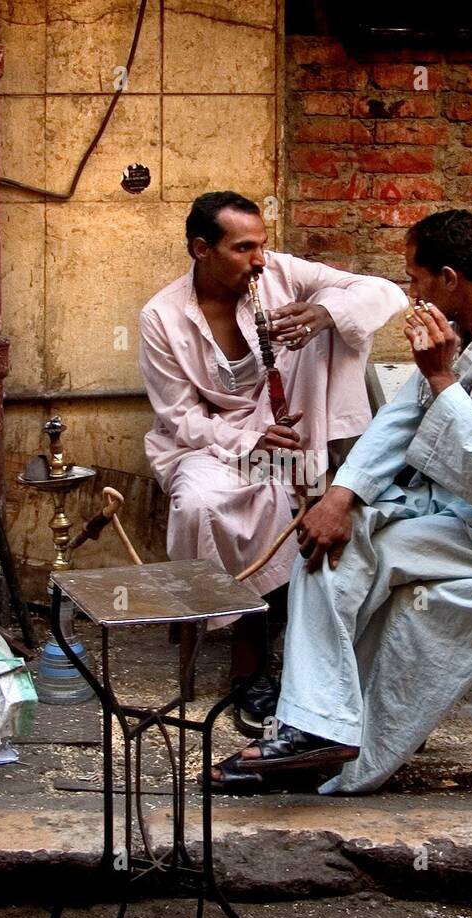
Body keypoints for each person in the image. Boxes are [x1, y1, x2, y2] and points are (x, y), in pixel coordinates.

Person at [209, 210, 472, 793]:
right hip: (454, 524)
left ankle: (321, 740)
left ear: (449, 279)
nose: (412, 294)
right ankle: (316, 731)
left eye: (416, 279)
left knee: (345, 556)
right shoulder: (463, 337)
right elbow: (399, 421)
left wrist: (442, 380)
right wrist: (340, 496)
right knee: (325, 551)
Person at [140, 191, 406, 732]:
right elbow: (180, 417)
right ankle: (251, 649)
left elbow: (386, 292)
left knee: (333, 320)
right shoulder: (161, 316)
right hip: (211, 445)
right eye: (243, 248)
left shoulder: (281, 273)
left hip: (298, 433)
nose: (259, 259)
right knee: (201, 503)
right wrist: (248, 442)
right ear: (201, 249)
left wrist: (325, 313)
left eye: (262, 244)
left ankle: (278, 660)